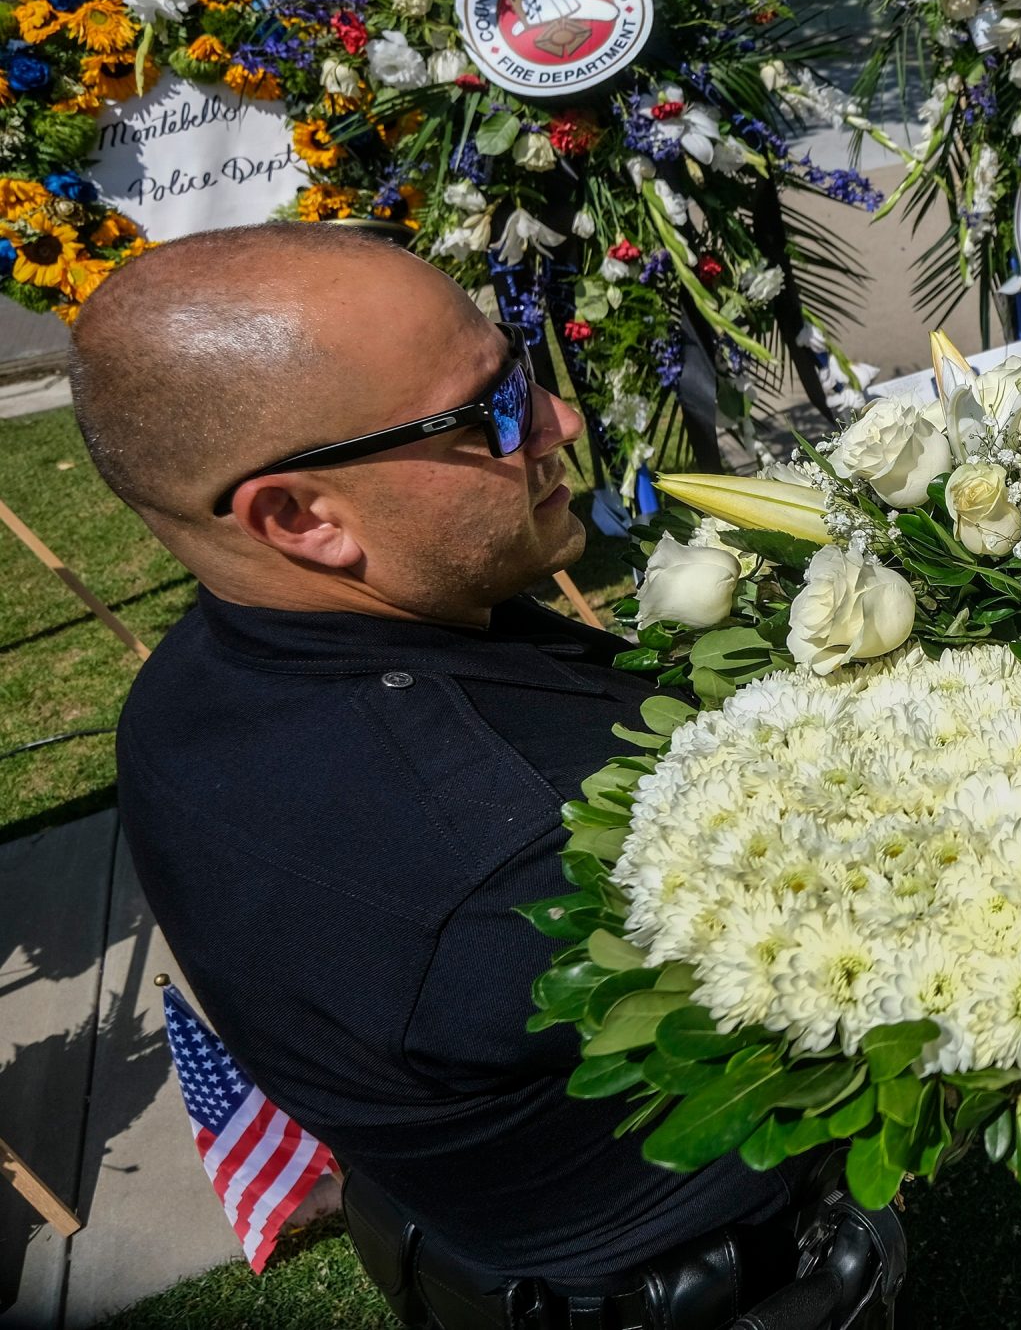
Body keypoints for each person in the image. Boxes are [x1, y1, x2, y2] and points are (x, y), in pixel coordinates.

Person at [70, 225, 898, 1330]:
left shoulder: (203, 675)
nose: (560, 420)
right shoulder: (519, 849)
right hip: (719, 1280)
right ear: (302, 518)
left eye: (524, 369)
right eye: (490, 412)